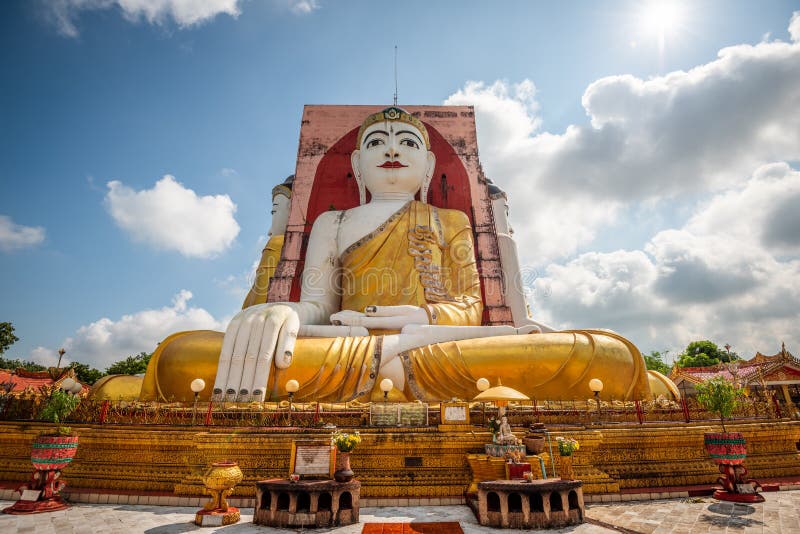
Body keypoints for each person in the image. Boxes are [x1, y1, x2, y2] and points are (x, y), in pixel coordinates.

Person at [139, 107, 678, 404]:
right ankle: (391, 374)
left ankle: (387, 372)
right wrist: (285, 313)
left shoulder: (451, 220)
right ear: (355, 164)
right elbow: (319, 306)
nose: (392, 150)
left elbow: (470, 304)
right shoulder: (335, 221)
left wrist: (420, 317)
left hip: (438, 345)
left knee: (599, 351)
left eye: (407, 142)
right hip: (337, 347)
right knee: (183, 353)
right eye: (377, 142)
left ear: (427, 167)